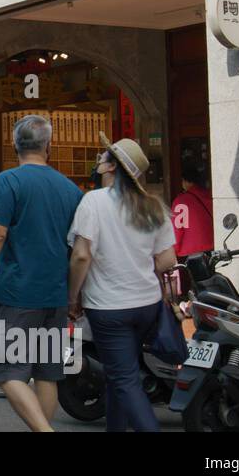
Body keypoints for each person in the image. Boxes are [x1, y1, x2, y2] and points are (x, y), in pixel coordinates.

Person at [0, 115, 83, 433]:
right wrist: (73, 294)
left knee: (4, 369)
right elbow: (78, 247)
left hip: (18, 294)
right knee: (46, 373)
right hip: (55, 295)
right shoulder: (71, 190)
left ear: (14, 145)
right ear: (48, 146)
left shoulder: (9, 181)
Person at [68, 134, 178, 433]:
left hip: (108, 307)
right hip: (147, 304)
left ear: (112, 167)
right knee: (121, 376)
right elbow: (167, 261)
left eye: (103, 158)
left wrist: (71, 297)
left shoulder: (94, 201)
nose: (99, 162)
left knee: (124, 379)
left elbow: (80, 256)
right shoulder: (153, 206)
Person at [171, 160, 214, 257]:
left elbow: (177, 228)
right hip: (212, 245)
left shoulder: (181, 201)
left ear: (185, 181)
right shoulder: (210, 196)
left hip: (192, 250)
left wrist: (174, 249)